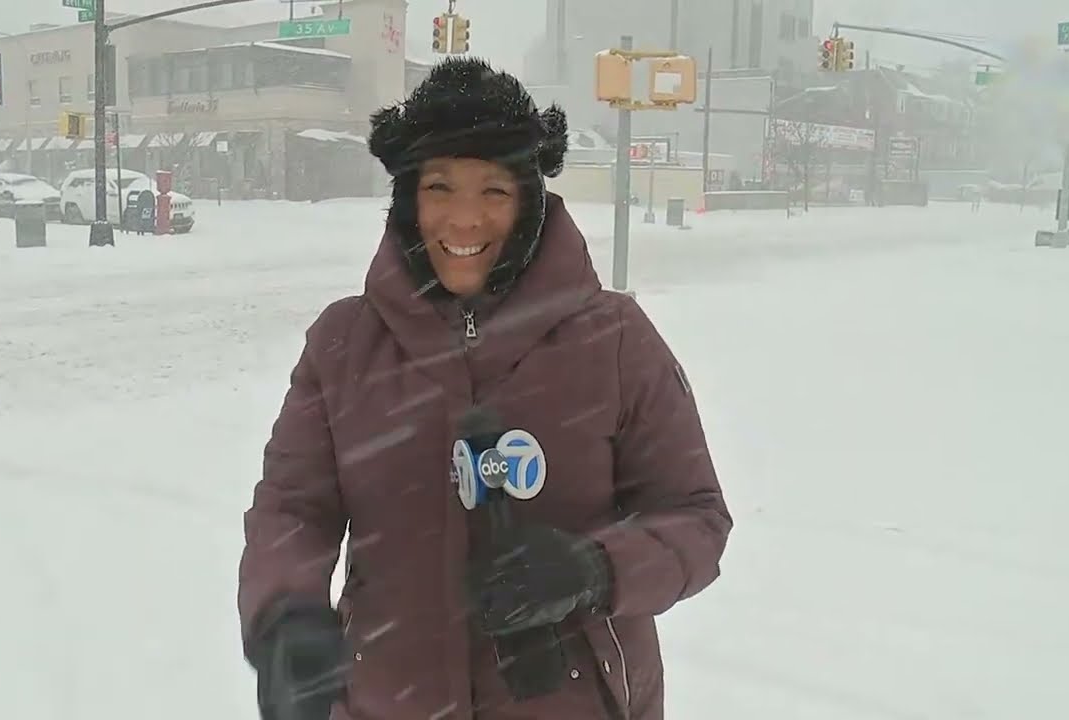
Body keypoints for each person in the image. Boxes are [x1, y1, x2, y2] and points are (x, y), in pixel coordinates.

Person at [239, 57, 733, 720]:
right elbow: (293, 509)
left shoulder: (615, 339)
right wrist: (285, 614)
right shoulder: (343, 343)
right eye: (439, 187)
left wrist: (594, 570)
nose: (464, 219)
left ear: (529, 200)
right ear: (408, 200)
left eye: (494, 191)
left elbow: (695, 517)